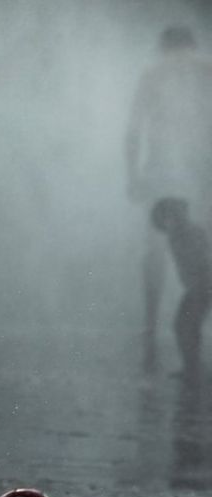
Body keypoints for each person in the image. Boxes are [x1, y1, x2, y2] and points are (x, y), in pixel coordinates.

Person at [125, 25, 212, 371]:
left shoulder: (153, 72)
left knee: (155, 248)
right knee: (204, 241)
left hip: (161, 167)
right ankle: (198, 312)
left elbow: (133, 130)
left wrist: (132, 176)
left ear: (163, 46)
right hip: (203, 166)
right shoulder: (207, 68)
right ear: (191, 43)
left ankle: (150, 323)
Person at [150, 197, 211, 383]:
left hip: (202, 286)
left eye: (170, 216)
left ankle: (192, 370)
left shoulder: (190, 233)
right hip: (198, 286)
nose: (167, 221)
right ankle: (191, 369)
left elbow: (202, 260)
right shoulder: (178, 235)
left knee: (184, 326)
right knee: (186, 326)